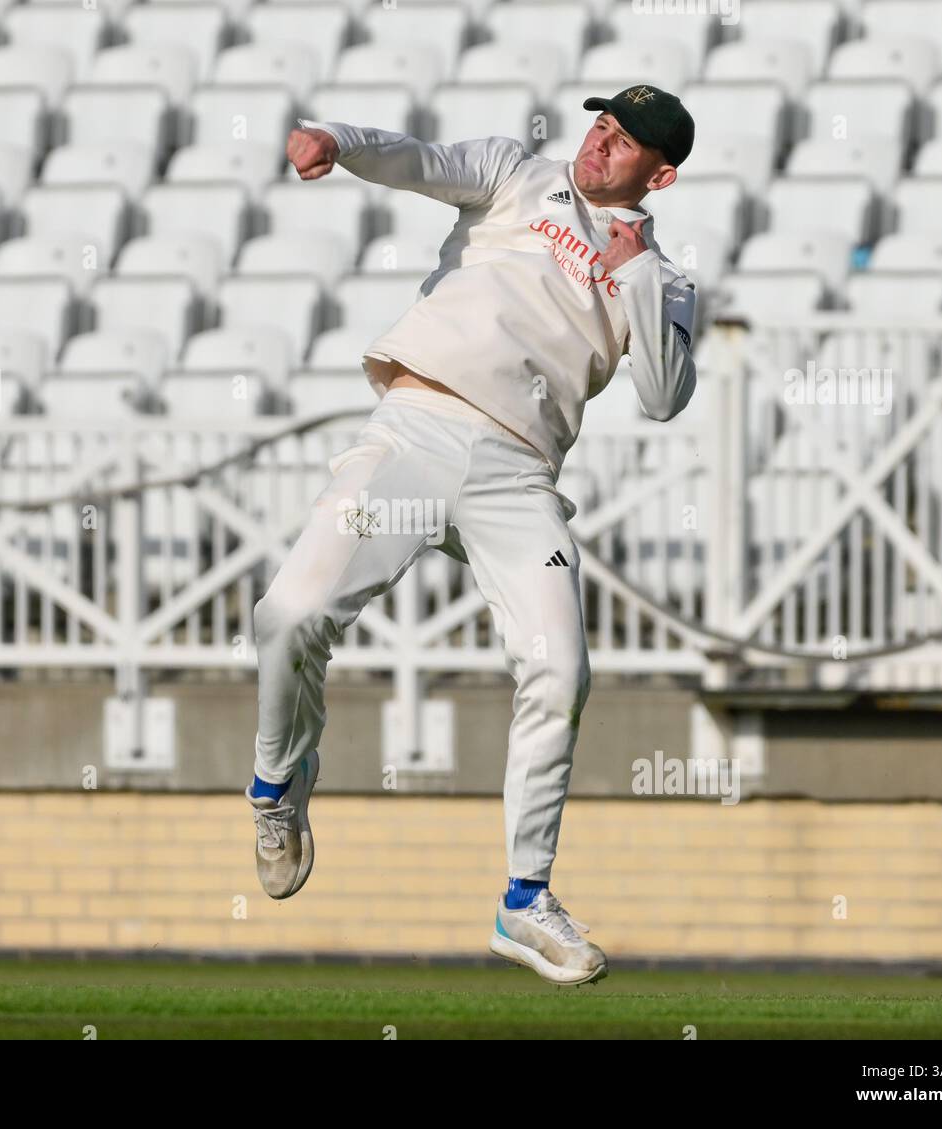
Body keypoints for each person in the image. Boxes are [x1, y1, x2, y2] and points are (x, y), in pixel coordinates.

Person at [247, 86, 698, 985]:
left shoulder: (665, 280)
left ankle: (525, 900)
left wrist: (634, 267)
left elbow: (661, 397)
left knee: (561, 669)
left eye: (626, 140)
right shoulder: (515, 175)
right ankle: (277, 784)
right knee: (289, 614)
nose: (602, 142)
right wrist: (337, 140)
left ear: (662, 172)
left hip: (519, 475)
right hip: (416, 428)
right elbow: (416, 159)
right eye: (601, 124)